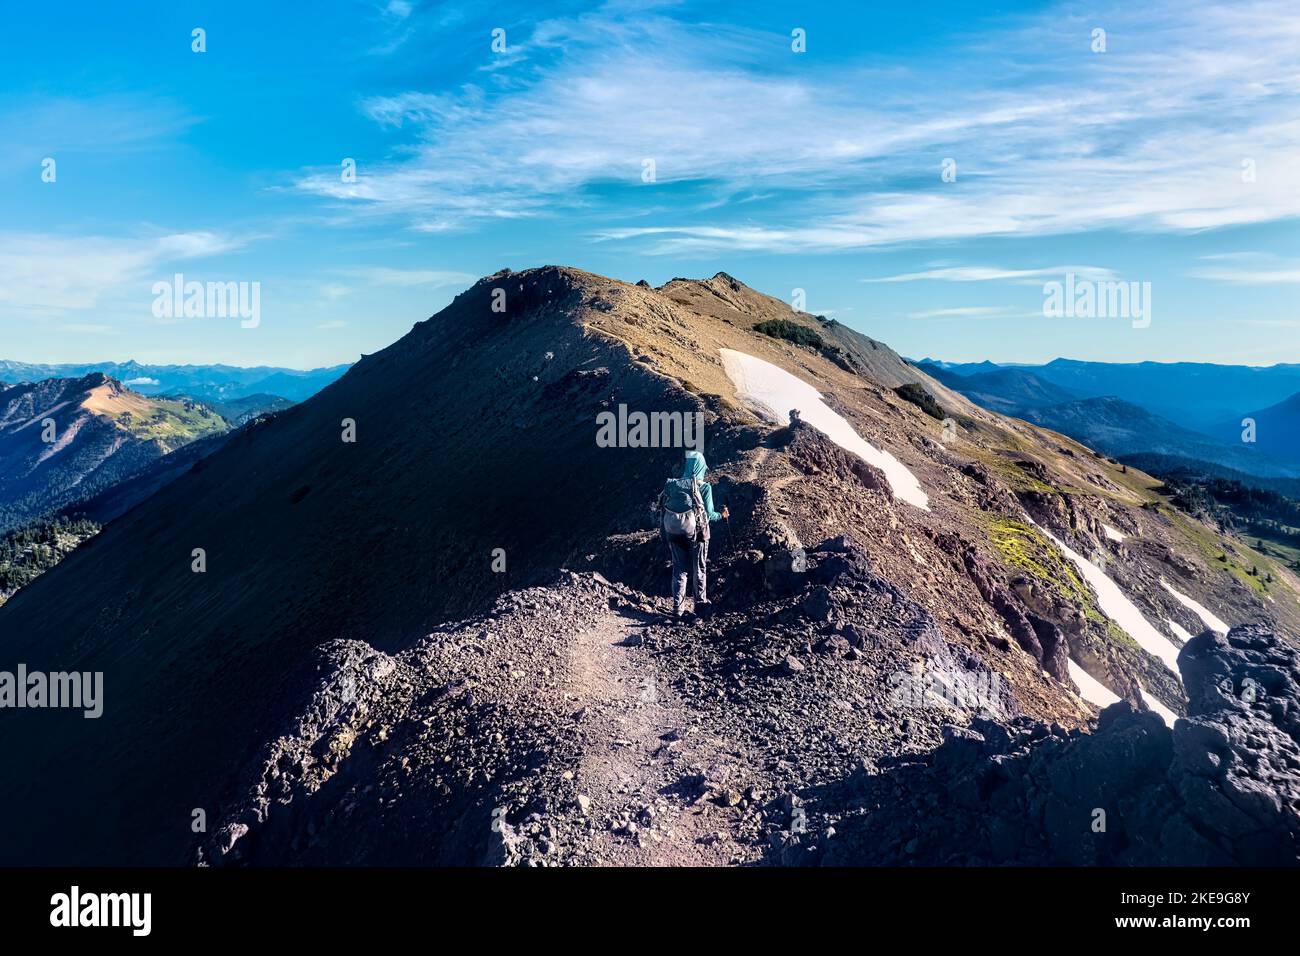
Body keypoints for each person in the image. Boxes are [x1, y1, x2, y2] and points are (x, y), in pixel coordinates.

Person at [657, 450, 728, 621]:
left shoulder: (673, 485)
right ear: (701, 466)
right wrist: (722, 515)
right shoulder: (703, 486)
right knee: (699, 568)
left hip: (673, 531)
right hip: (698, 534)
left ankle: (677, 608)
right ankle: (700, 604)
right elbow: (710, 515)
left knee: (679, 568)